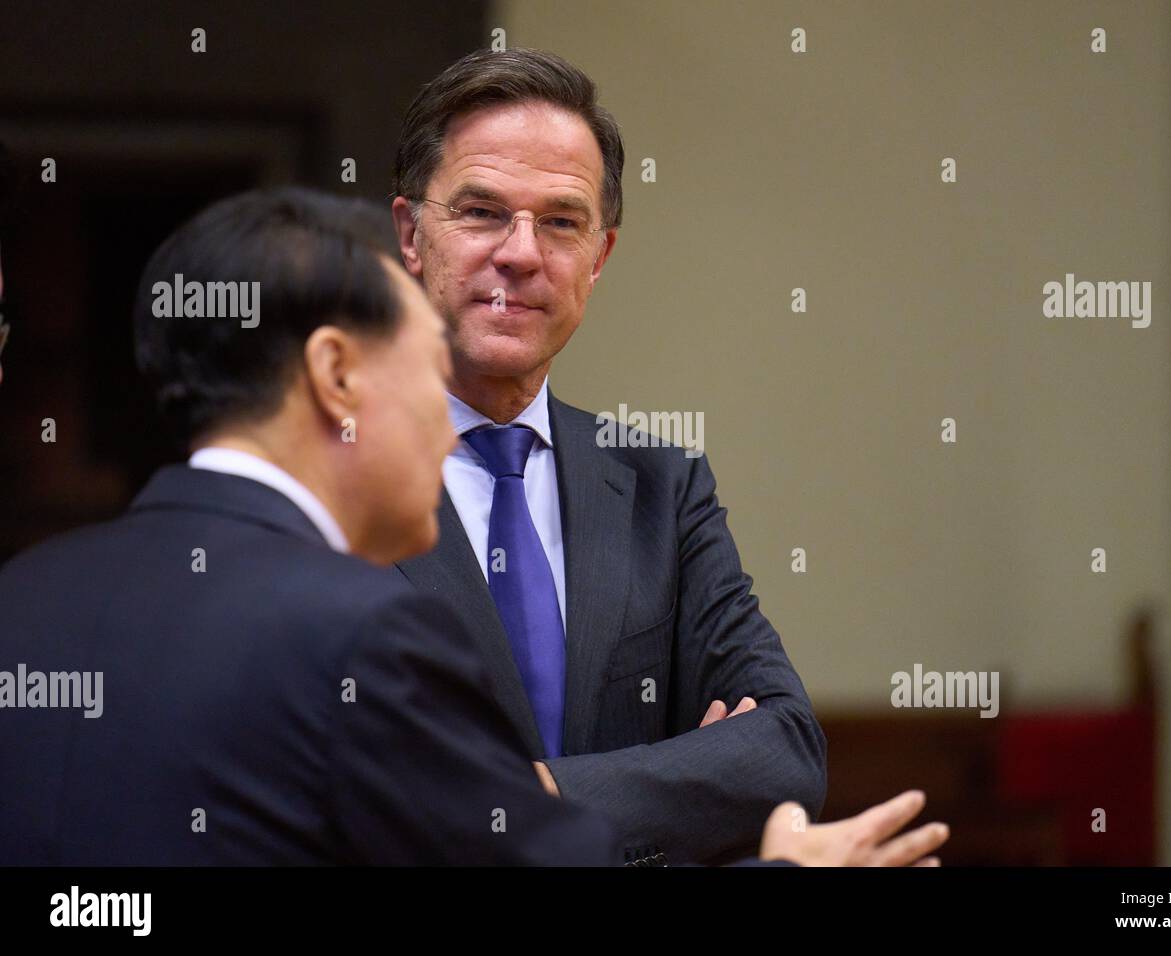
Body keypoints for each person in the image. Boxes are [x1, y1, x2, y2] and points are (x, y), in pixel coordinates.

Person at [0, 186, 949, 867]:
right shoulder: (360, 630)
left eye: (564, 220)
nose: (444, 417)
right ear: (336, 376)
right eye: (422, 366)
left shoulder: (27, 595)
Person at [391, 48, 829, 863]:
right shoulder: (325, 488)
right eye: (482, 211)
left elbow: (786, 752)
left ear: (599, 258)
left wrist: (531, 799)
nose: (521, 253)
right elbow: (354, 801)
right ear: (412, 235)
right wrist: (681, 775)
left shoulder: (662, 485)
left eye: (560, 221)